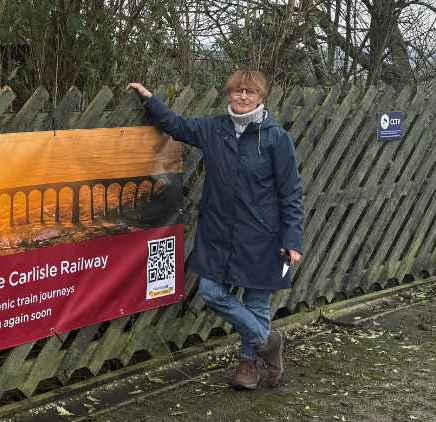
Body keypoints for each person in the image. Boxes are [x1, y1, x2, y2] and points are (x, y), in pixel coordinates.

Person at [127, 71, 304, 391]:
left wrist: (293, 239)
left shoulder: (276, 137)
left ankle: (248, 365)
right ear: (228, 94)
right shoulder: (214, 129)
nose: (244, 96)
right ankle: (269, 344)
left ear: (261, 96)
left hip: (262, 235)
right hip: (219, 231)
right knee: (211, 292)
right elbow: (177, 126)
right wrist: (150, 100)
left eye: (251, 92)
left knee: (257, 303)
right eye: (238, 91)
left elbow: (291, 192)